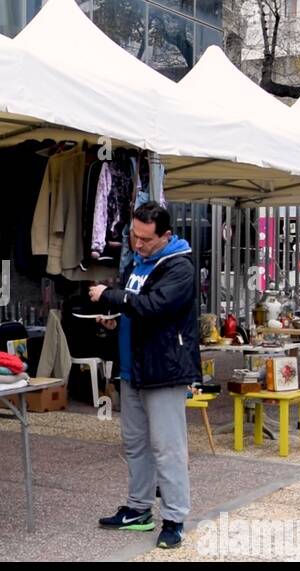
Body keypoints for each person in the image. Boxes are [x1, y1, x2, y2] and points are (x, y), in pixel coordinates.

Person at [88, 201, 201, 549]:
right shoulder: (137, 262)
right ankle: (138, 509)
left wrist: (111, 295)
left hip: (163, 369)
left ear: (166, 235)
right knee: (136, 445)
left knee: (168, 447)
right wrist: (114, 319)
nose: (138, 245)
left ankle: (175, 518)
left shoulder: (180, 267)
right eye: (134, 237)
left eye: (146, 239)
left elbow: (154, 306)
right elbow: (135, 311)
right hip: (132, 368)